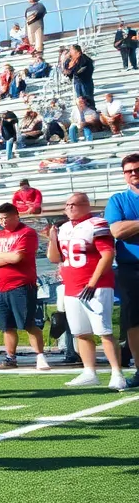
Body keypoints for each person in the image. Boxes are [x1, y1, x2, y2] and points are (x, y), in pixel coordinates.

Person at [47, 194, 126, 390]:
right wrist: (52, 238)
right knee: (80, 332)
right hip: (71, 285)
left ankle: (117, 373)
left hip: (95, 285)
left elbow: (107, 254)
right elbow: (54, 257)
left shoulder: (97, 223)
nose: (69, 208)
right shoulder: (64, 228)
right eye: (66, 205)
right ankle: (89, 371)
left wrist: (93, 282)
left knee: (104, 331)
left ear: (85, 205)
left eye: (73, 204)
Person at [0, 203, 49, 370]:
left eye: (5, 218)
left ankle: (40, 357)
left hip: (21, 285)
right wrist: (7, 257)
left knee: (28, 323)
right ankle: (10, 358)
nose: (2, 222)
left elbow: (17, 258)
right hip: (0, 287)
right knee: (6, 326)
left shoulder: (27, 233)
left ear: (15, 216)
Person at [104, 153, 139, 388]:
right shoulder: (118, 200)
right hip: (131, 268)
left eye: (137, 169)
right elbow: (117, 230)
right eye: (129, 171)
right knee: (134, 322)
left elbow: (126, 228)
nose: (134, 173)